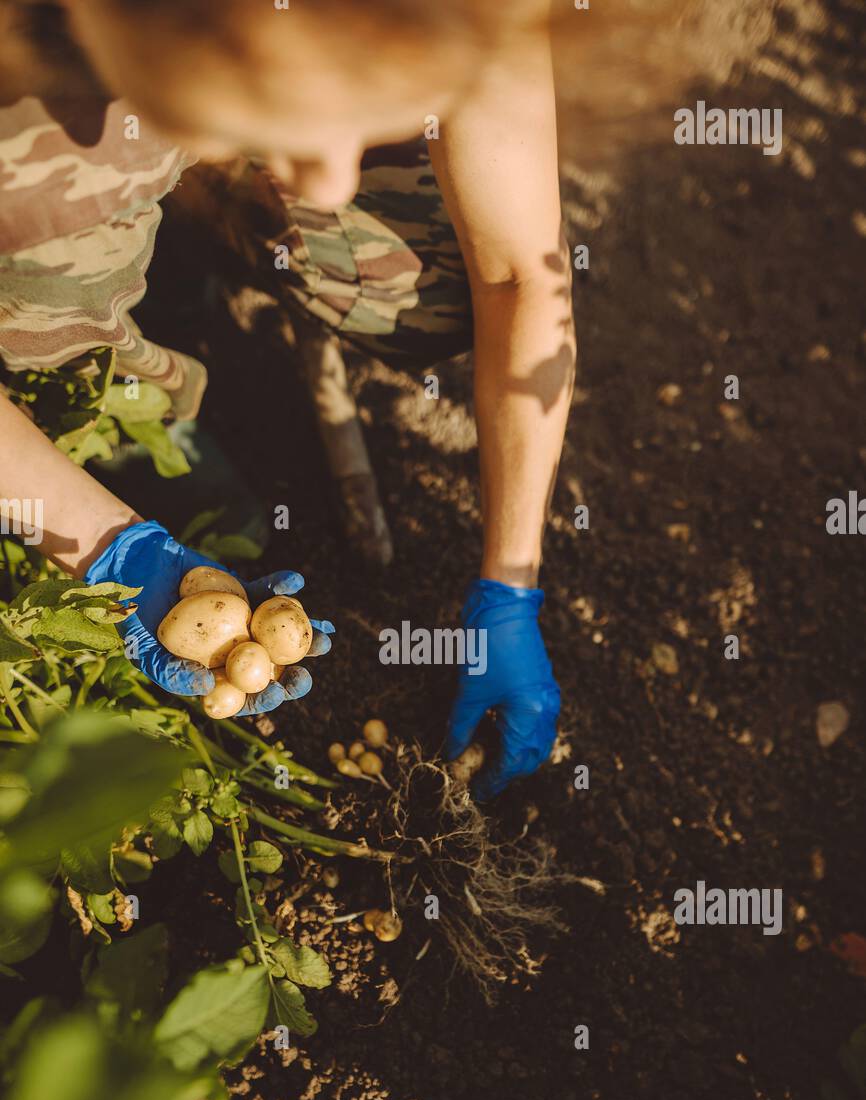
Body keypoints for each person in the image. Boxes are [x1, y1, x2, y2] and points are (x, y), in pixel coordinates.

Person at [5, 0, 756, 796]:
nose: (335, 183)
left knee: (438, 287)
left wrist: (511, 583)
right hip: (66, 123)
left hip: (165, 82)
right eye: (285, 97)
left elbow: (516, 274)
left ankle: (187, 210)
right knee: (47, 251)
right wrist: (105, 545)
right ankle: (115, 376)